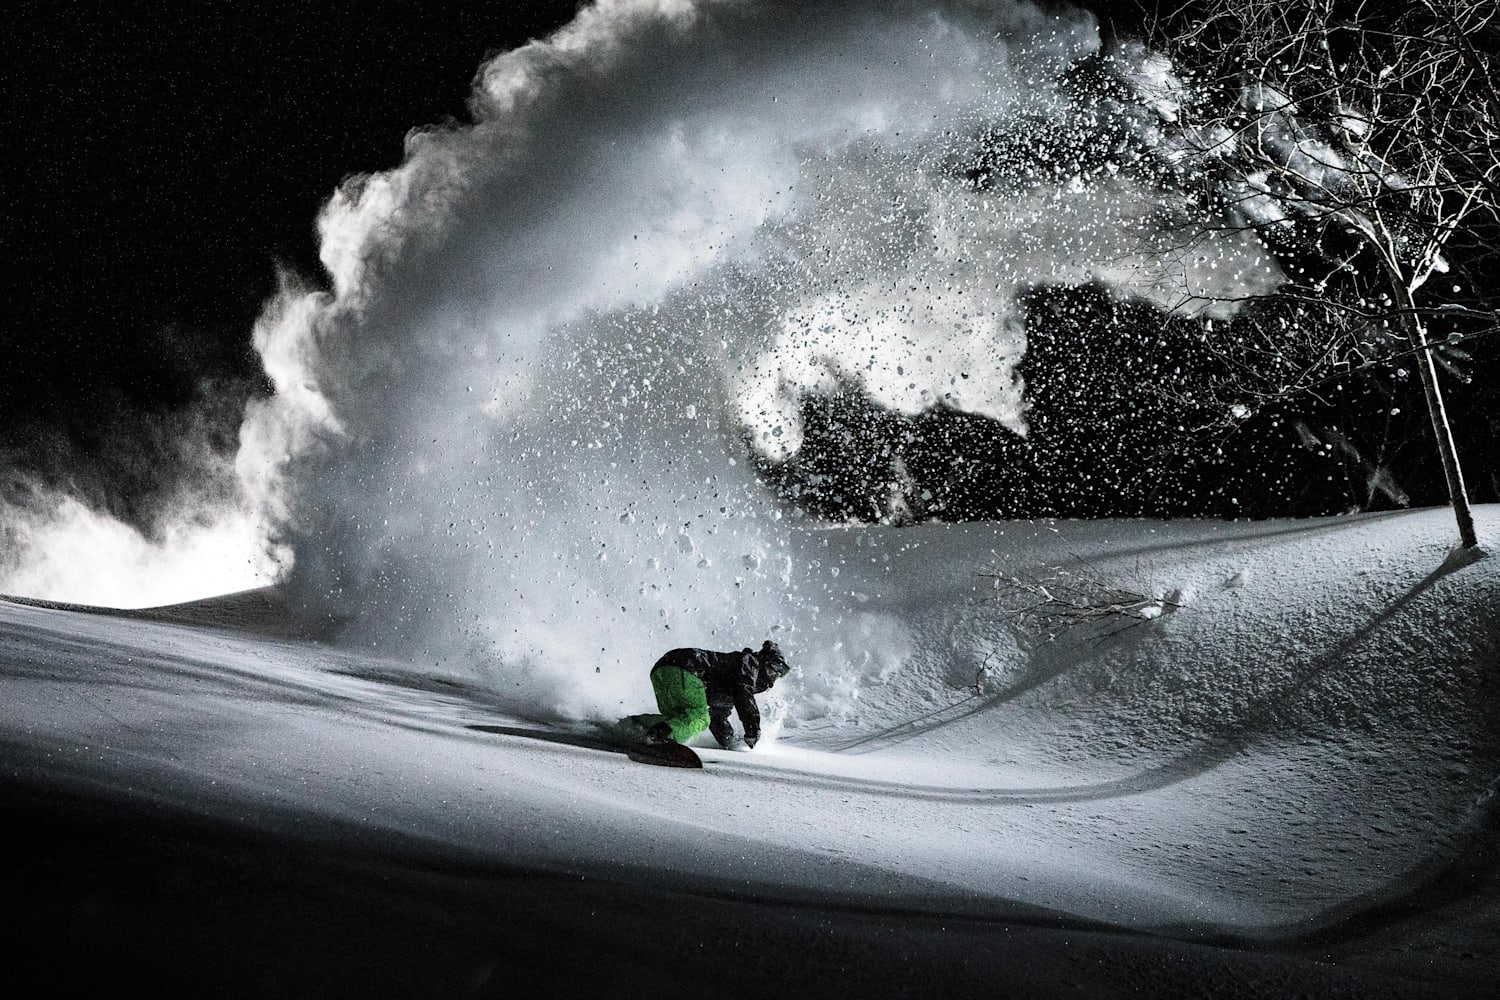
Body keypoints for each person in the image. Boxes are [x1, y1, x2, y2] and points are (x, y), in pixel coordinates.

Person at [634, 640, 790, 749]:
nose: (776, 674)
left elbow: (718, 716)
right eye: (775, 667)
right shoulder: (750, 663)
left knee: (680, 720)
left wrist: (729, 742)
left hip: (664, 669)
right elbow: (744, 692)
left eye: (781, 672)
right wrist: (752, 729)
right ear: (764, 660)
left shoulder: (732, 679)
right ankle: (657, 737)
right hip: (687, 668)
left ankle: (635, 726)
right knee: (700, 718)